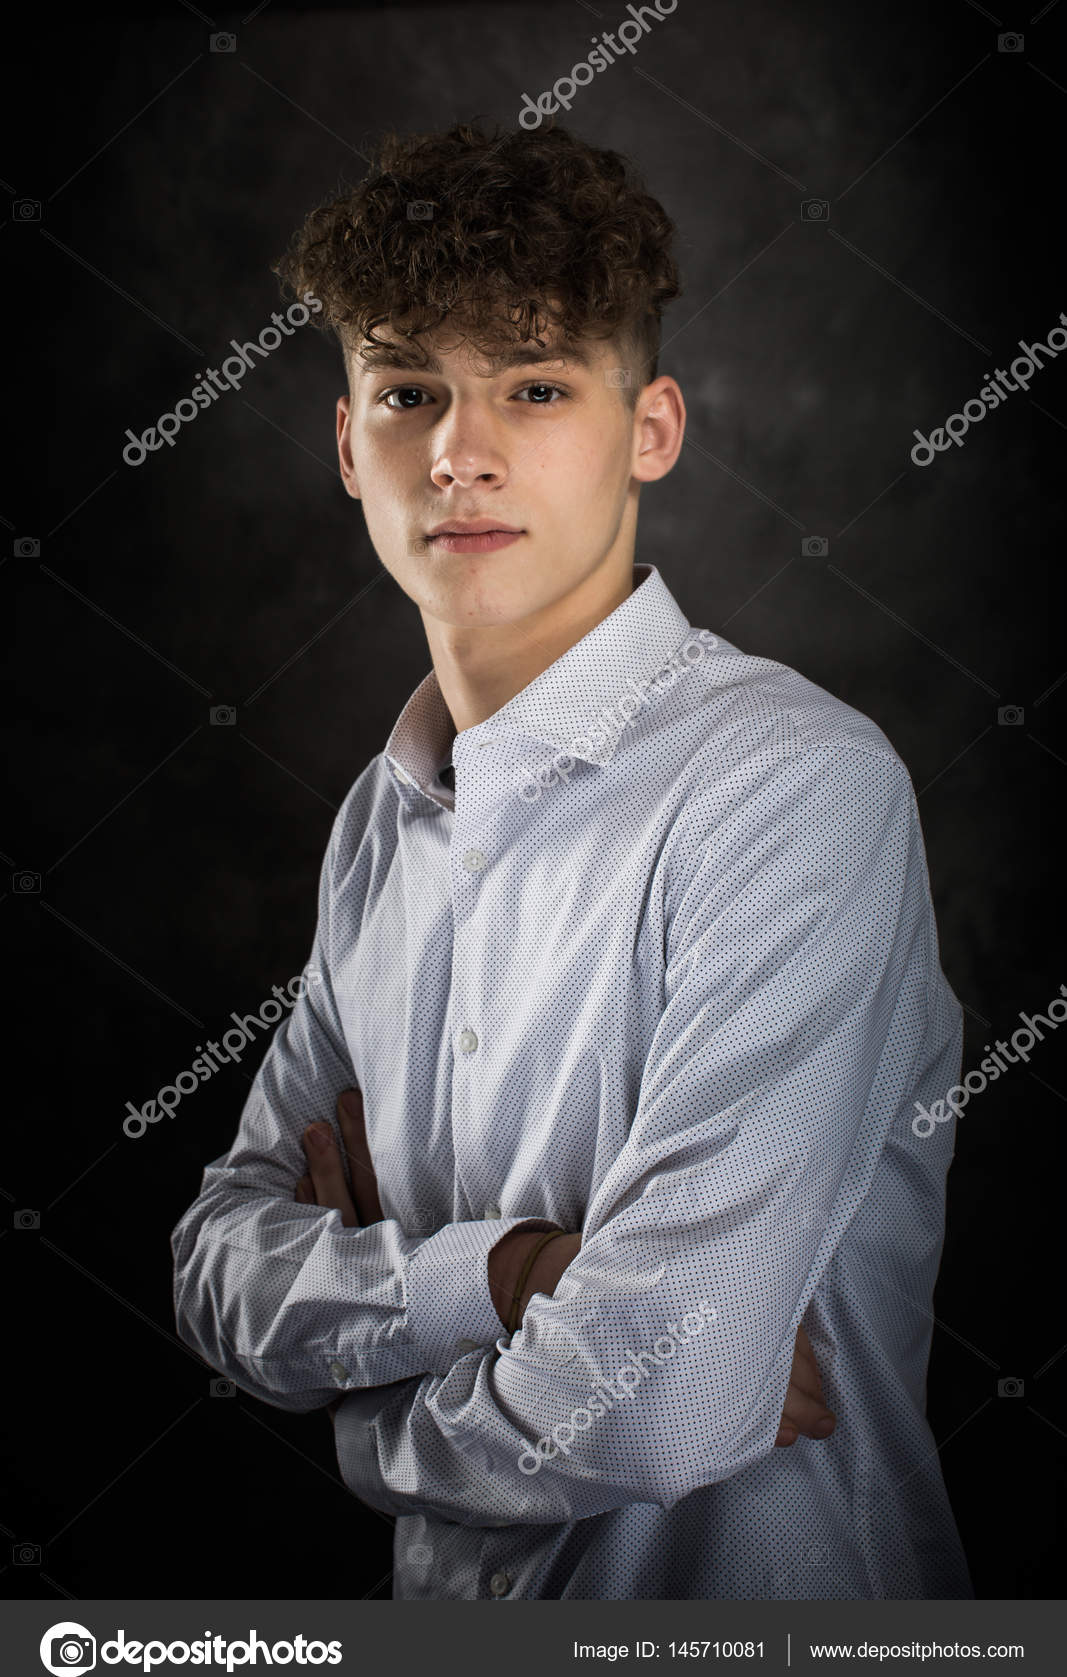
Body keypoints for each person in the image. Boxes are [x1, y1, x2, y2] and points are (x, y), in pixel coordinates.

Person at [171, 120, 973, 1600]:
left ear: (650, 429)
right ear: (351, 445)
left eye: (535, 387)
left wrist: (365, 1417)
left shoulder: (792, 791)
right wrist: (501, 1278)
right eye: (410, 390)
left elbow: (660, 1390)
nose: (461, 453)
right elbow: (219, 1269)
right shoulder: (387, 816)